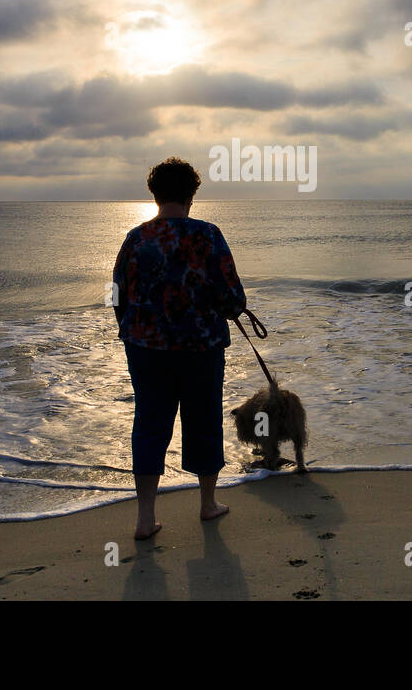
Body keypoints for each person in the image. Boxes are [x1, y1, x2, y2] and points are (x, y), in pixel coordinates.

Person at [112, 157, 248, 540]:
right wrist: (226, 308)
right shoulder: (208, 235)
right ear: (192, 195)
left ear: (154, 194)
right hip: (200, 347)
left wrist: (129, 329)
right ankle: (207, 504)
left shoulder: (136, 239)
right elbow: (233, 298)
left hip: (146, 347)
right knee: (204, 420)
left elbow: (117, 293)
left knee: (149, 423)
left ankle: (145, 518)